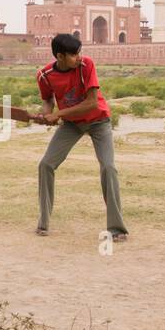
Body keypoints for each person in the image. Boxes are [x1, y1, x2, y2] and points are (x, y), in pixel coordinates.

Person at [33, 33, 129, 241]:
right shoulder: (44, 75)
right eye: (74, 55)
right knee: (46, 165)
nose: (79, 57)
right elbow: (48, 100)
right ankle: (43, 223)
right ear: (60, 56)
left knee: (108, 168)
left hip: (98, 122)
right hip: (72, 125)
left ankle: (117, 229)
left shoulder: (86, 65)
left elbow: (91, 103)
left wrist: (58, 114)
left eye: (79, 53)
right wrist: (45, 113)